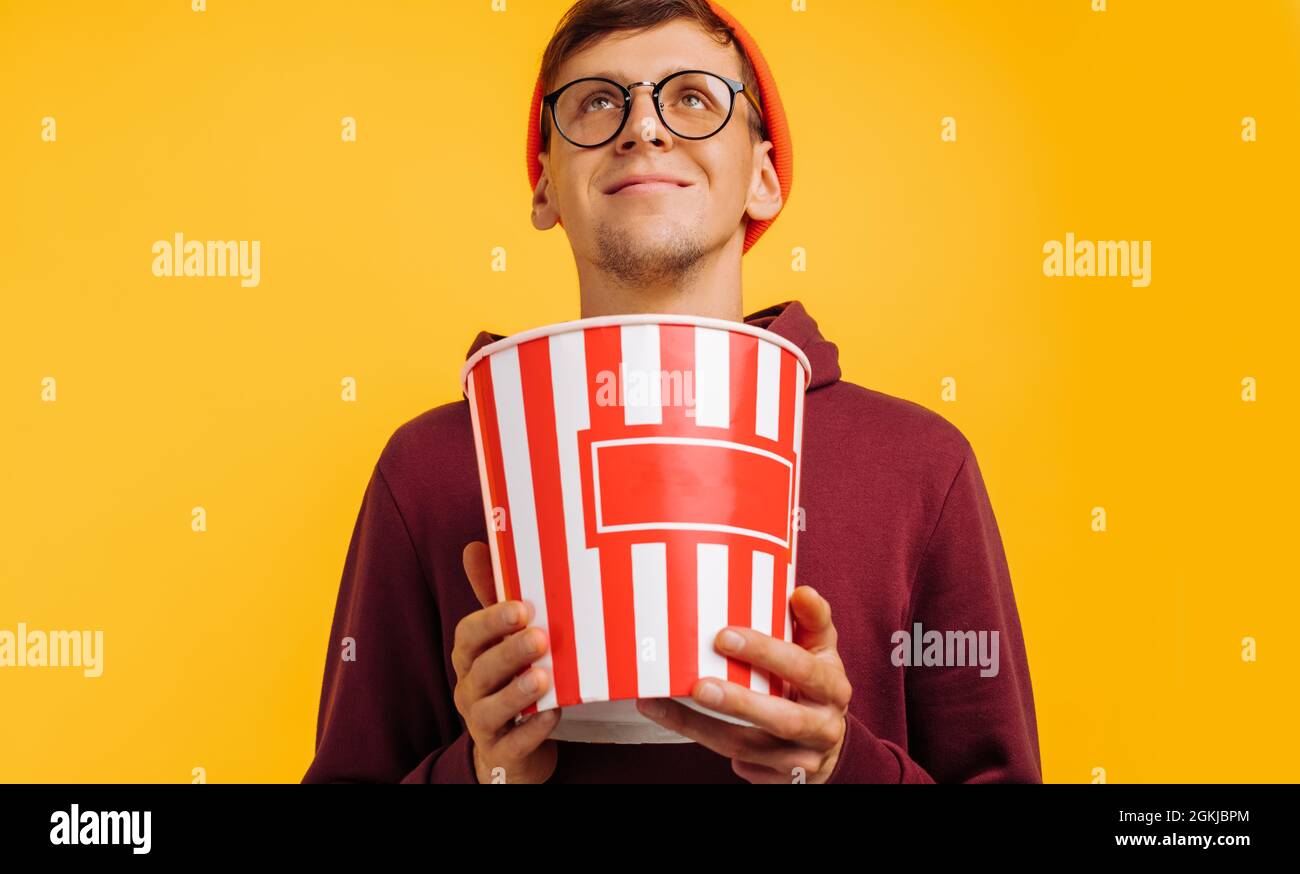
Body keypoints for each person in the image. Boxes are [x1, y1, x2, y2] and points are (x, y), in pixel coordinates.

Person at [302, 0, 1041, 784]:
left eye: (692, 98)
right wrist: (482, 771)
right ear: (545, 186)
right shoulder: (431, 467)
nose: (643, 128)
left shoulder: (920, 464)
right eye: (596, 102)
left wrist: (837, 765)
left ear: (764, 176)